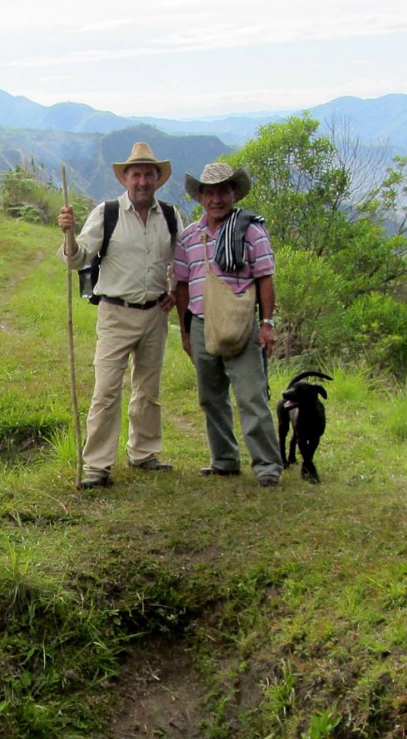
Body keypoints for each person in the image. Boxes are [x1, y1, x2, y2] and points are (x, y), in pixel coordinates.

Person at [57, 142, 179, 489]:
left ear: (157, 179)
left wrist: (173, 288)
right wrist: (69, 233)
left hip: (155, 313)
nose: (142, 181)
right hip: (115, 313)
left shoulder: (169, 215)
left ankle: (144, 453)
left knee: (148, 389)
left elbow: (178, 259)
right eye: (136, 174)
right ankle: (97, 466)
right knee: (106, 390)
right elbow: (76, 258)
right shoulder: (107, 213)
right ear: (125, 178)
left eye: (148, 175)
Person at [172, 161, 284, 487]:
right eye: (210, 193)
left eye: (223, 192)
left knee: (251, 396)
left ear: (234, 194)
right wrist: (185, 331)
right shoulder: (189, 237)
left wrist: (266, 323)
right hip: (200, 324)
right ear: (200, 197)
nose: (216, 199)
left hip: (242, 325)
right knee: (211, 397)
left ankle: (267, 466)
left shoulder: (251, 231)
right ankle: (224, 460)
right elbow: (181, 285)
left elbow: (265, 278)